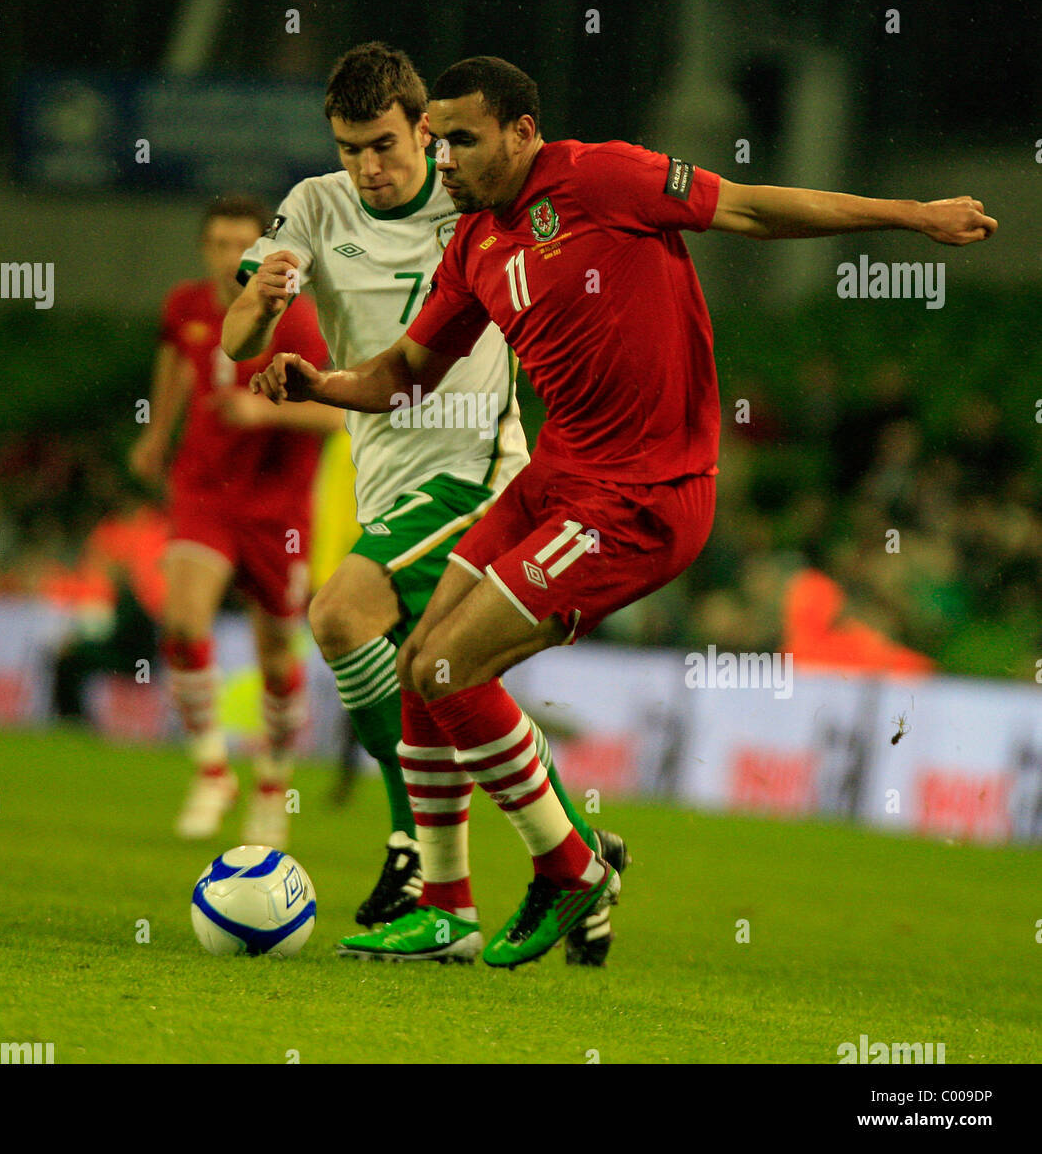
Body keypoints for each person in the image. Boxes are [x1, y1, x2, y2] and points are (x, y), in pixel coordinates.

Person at [248, 54, 996, 968]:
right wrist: (318, 383)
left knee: (446, 667)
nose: (443, 158)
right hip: (558, 477)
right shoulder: (476, 243)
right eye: (436, 140)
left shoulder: (603, 177)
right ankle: (446, 908)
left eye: (462, 139)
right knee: (417, 665)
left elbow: (752, 208)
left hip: (643, 496)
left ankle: (572, 869)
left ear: (523, 132)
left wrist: (910, 215)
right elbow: (404, 374)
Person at [223, 43, 625, 962]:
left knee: (338, 613)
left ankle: (412, 846)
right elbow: (236, 334)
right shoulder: (312, 207)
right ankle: (568, 860)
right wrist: (262, 299)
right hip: (385, 479)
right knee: (437, 681)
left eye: (384, 144)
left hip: (478, 468)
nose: (369, 165)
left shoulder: (470, 197)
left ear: (422, 129)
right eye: (350, 146)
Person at [130, 195, 342, 844]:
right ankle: (212, 768)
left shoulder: (303, 324)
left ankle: (273, 783)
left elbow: (340, 415)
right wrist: (157, 432)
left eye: (240, 247)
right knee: (183, 620)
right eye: (217, 245)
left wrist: (266, 414)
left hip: (278, 505)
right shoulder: (186, 308)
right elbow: (173, 361)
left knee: (276, 658)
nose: (228, 258)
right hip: (204, 489)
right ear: (204, 249)